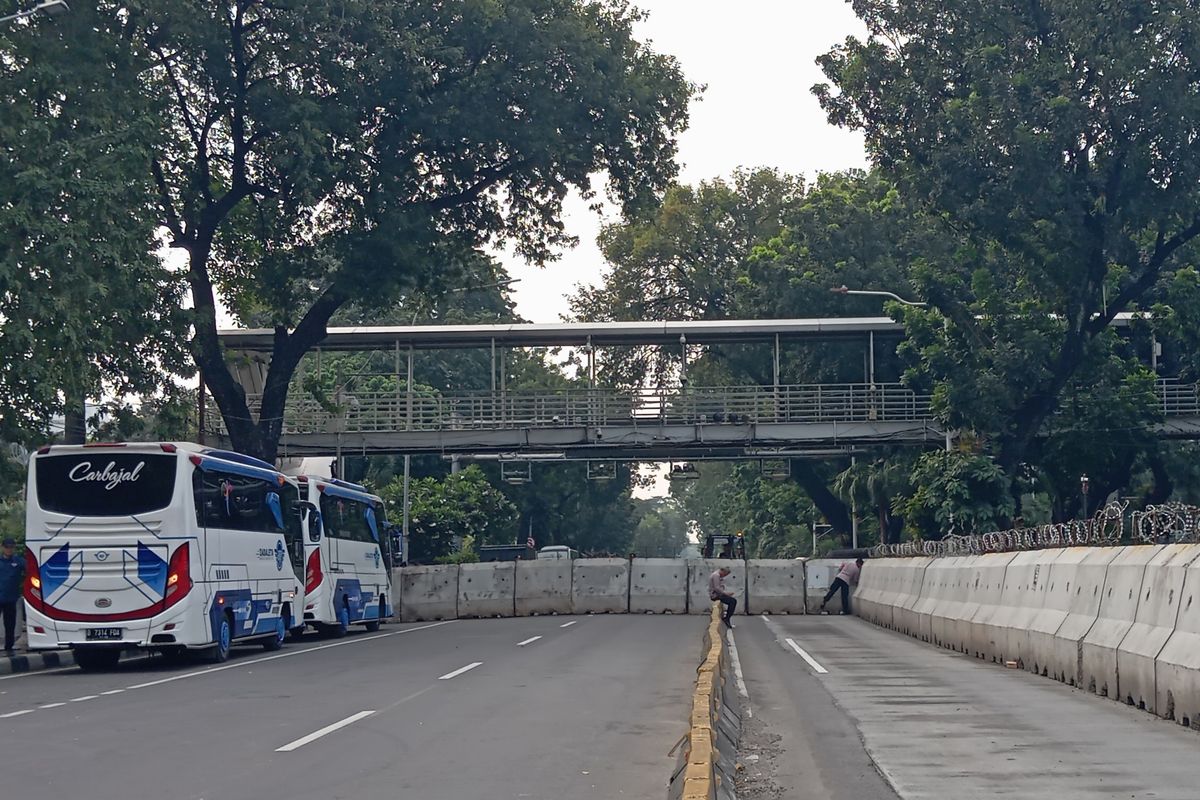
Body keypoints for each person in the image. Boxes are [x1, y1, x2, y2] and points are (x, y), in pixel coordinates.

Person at [0, 537, 23, 654]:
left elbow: (31, 569)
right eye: (7, 547)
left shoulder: (18, 561)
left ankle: (9, 646)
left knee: (10, 624)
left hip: (11, 598)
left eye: (11, 547)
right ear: (2, 547)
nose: (9, 549)